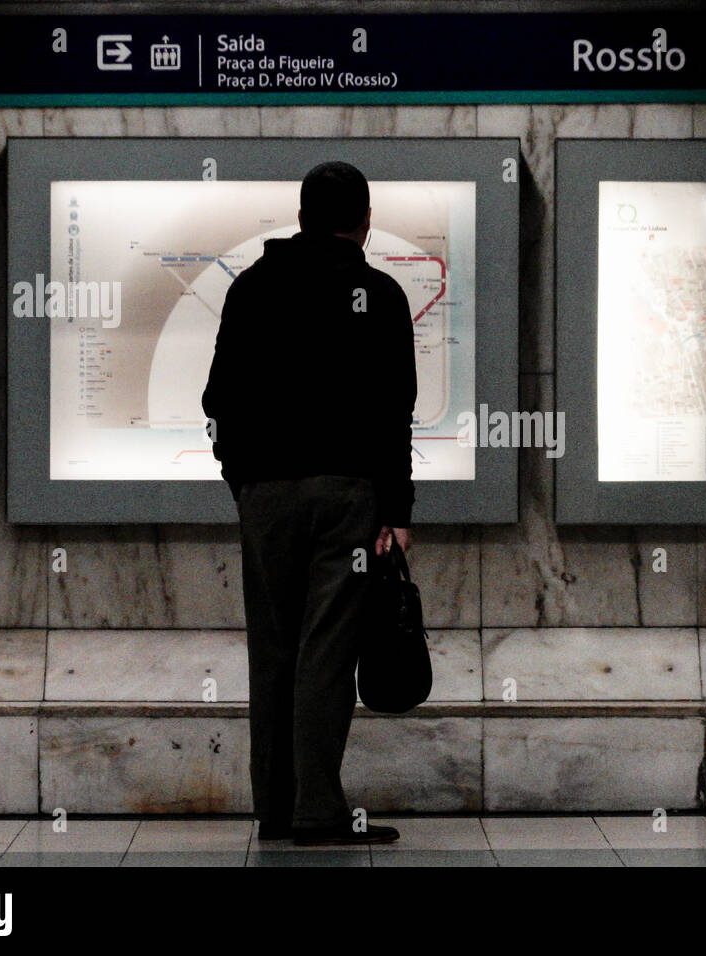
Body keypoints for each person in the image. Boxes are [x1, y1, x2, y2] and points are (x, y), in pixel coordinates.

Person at [201, 161, 416, 846]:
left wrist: (242, 479)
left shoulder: (252, 288)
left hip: (265, 495)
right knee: (327, 648)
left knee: (273, 647)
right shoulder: (376, 294)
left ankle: (275, 807)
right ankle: (318, 812)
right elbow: (394, 412)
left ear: (299, 216)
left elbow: (218, 398)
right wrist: (396, 509)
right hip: (346, 496)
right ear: (364, 220)